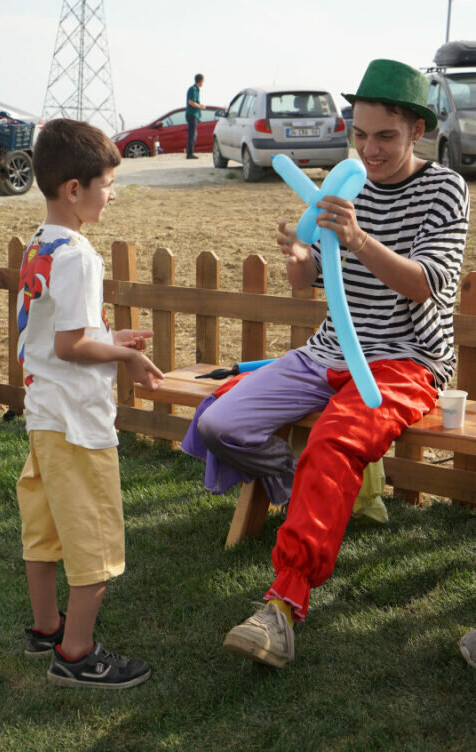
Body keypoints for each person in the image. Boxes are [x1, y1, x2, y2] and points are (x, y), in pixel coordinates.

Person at [194, 59, 470, 668]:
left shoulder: (445, 189)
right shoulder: (349, 186)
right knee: (218, 421)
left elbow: (424, 284)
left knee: (332, 443)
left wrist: (359, 239)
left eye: (386, 136)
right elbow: (311, 279)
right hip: (328, 349)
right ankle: (302, 490)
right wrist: (300, 256)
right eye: (360, 135)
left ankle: (282, 606)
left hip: (405, 361)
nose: (369, 150)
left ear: (417, 131)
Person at [16, 118, 163, 689]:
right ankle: (76, 653)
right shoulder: (78, 255)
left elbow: (56, 332)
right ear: (74, 189)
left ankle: (45, 627)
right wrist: (123, 356)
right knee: (94, 541)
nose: (113, 194)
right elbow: (70, 347)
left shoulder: (41, 242)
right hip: (78, 424)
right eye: (108, 184)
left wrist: (109, 336)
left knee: (45, 530)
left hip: (44, 417)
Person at [186, 73, 205, 159]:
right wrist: (200, 106)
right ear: (200, 80)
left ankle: (190, 152)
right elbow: (191, 102)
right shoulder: (193, 89)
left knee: (194, 134)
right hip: (192, 114)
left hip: (195, 115)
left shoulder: (196, 89)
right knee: (192, 134)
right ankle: (190, 153)